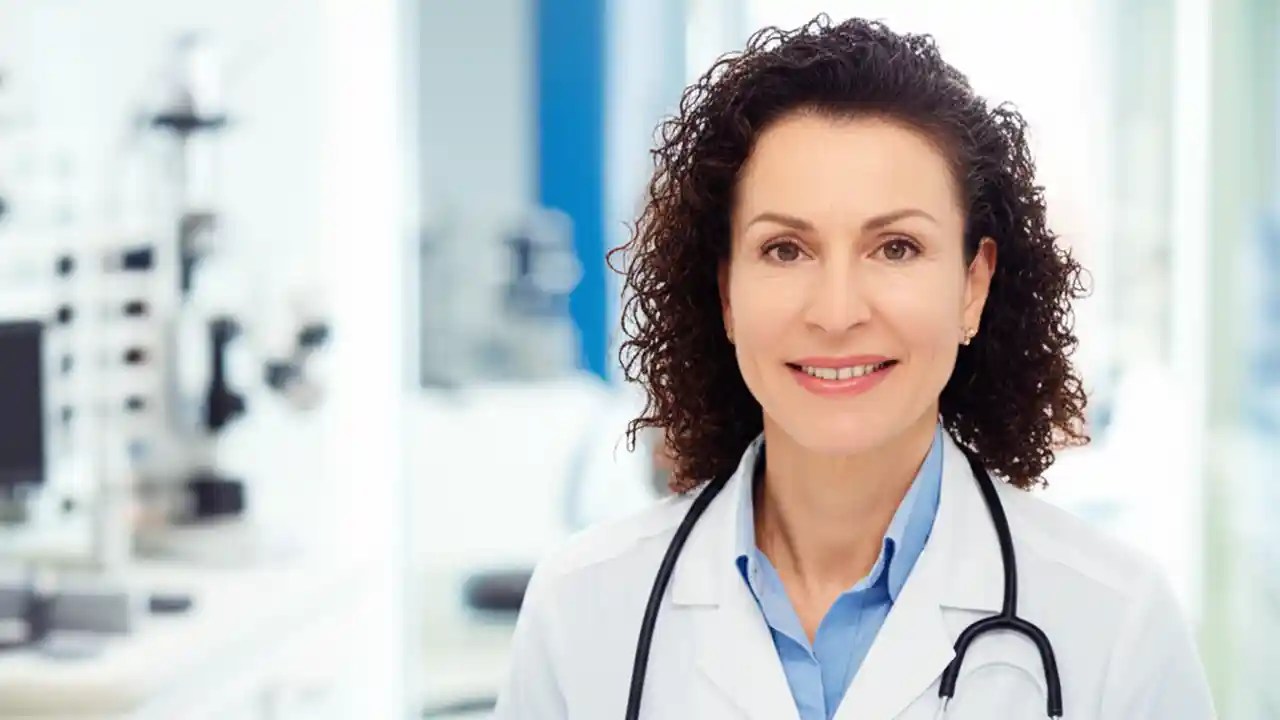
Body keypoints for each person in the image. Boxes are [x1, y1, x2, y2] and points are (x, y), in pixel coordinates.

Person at [495, 16, 1215, 720]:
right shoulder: (582, 611)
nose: (837, 313)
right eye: (785, 250)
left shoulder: (1117, 627)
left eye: (896, 248)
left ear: (972, 286)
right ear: (727, 293)